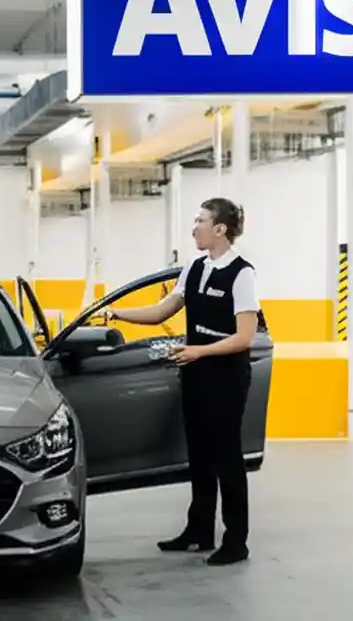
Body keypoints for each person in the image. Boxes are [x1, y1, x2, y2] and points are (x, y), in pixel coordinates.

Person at [104, 197, 260, 566]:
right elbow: (163, 311)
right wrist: (115, 312)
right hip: (196, 370)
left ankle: (236, 541)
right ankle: (199, 530)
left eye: (200, 220)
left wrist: (199, 352)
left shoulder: (242, 273)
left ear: (220, 229)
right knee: (200, 456)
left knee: (227, 457)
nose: (194, 227)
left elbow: (245, 337)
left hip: (225, 374)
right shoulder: (194, 267)